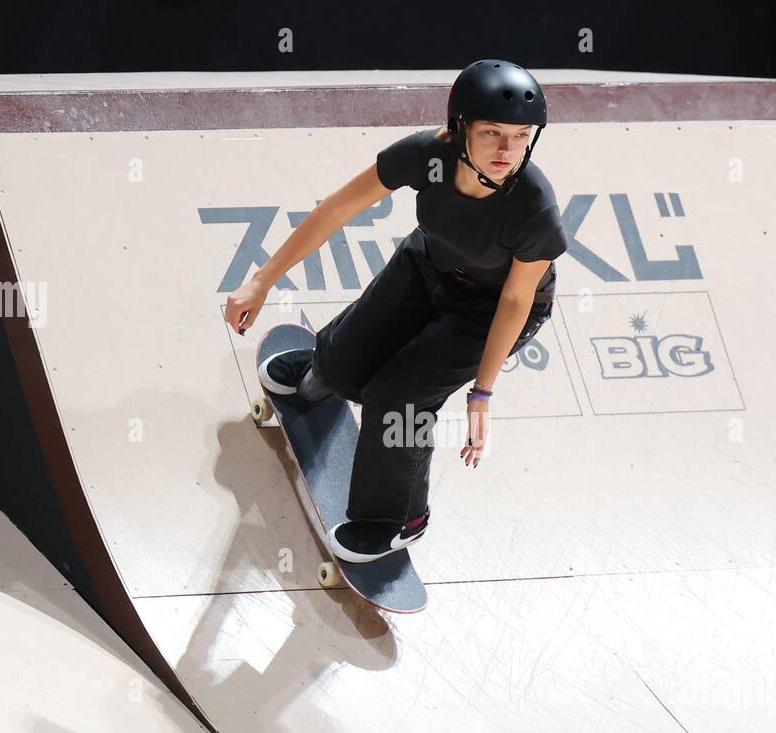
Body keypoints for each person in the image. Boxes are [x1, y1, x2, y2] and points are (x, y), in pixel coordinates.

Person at [223, 59, 568, 564]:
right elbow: (338, 208)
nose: (506, 150)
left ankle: (399, 518)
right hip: (429, 262)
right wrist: (262, 279)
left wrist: (482, 393)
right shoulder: (427, 156)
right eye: (492, 132)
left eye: (520, 136)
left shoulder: (533, 206)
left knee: (399, 397)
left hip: (491, 311)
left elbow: (516, 300)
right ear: (460, 128)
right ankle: (325, 370)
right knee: (342, 363)